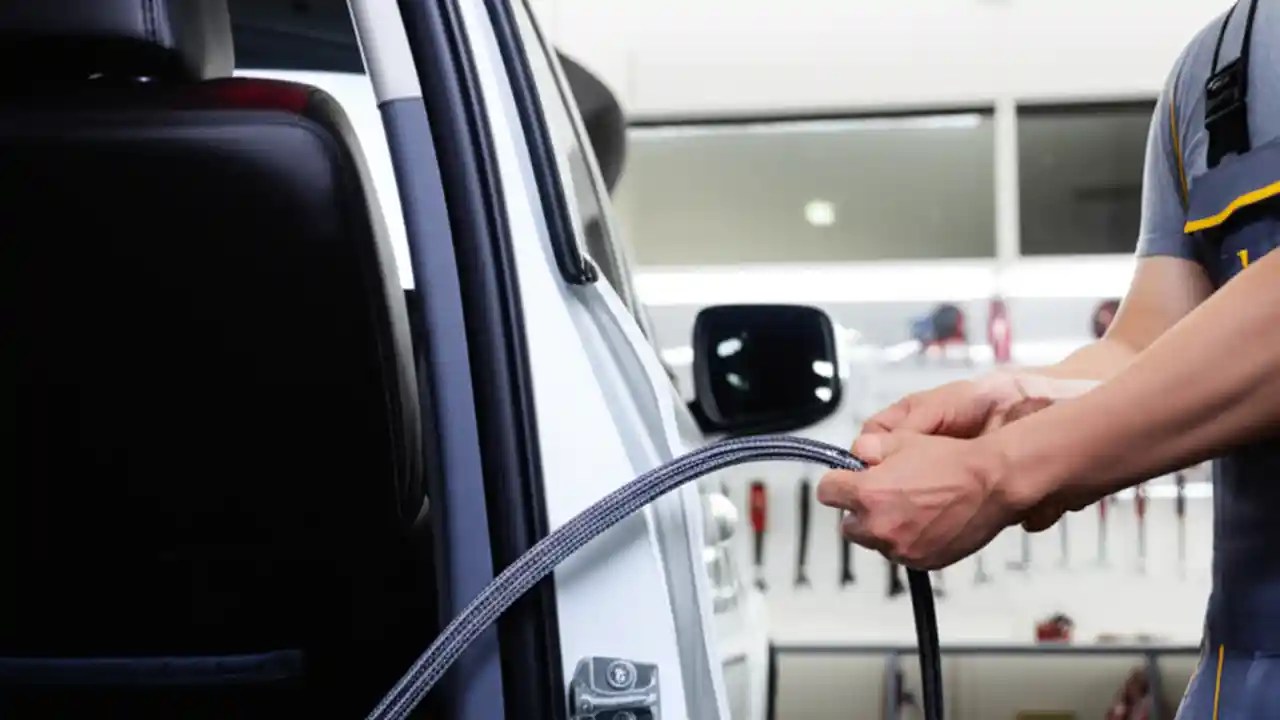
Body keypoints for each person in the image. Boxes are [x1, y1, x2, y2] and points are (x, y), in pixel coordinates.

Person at [816, 1, 1280, 717]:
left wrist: (1006, 471)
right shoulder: (1219, 65)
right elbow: (1146, 345)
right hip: (1237, 682)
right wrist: (1010, 400)